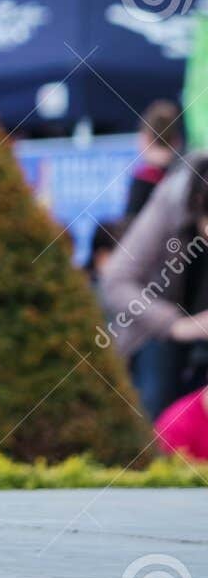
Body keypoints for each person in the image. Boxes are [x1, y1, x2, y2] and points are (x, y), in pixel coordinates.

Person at [99, 151, 208, 419]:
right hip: (158, 335)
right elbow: (115, 281)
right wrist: (174, 325)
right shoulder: (170, 202)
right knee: (159, 406)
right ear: (198, 204)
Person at [126, 99, 185, 217]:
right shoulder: (186, 175)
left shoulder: (143, 180)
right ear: (177, 139)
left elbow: (130, 224)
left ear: (145, 138)